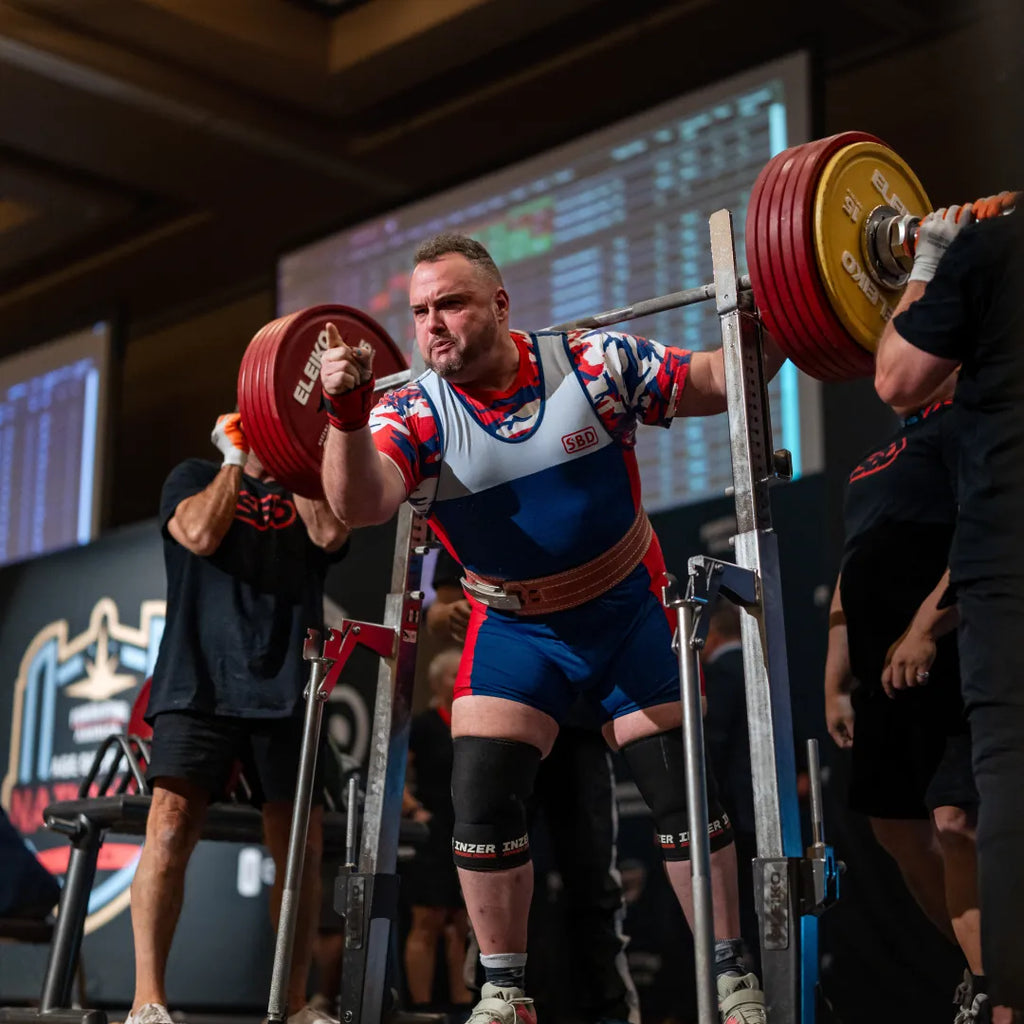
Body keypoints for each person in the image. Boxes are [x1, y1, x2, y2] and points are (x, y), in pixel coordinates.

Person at [318, 232, 788, 1024]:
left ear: (500, 305)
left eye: (452, 303)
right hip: (517, 632)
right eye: (421, 310)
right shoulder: (412, 412)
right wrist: (343, 413)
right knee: (480, 795)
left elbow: (722, 379)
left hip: (625, 611)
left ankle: (730, 974)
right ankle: (504, 990)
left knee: (683, 792)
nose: (432, 324)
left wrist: (783, 302)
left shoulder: (595, 365)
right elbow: (357, 504)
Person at [125, 411, 350, 1024]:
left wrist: (302, 460)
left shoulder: (312, 491)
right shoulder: (194, 476)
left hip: (287, 683)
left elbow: (330, 536)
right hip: (199, 679)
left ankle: (294, 1004)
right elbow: (198, 534)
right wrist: (233, 460)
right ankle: (149, 1002)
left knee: (300, 847)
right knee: (169, 829)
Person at [874, 193, 1024, 1024]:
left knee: (1001, 787)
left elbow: (896, 376)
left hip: (1003, 568)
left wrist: (930, 259)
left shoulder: (992, 246)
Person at [823, 380, 983, 1020]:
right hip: (880, 685)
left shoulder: (969, 424)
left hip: (953, 662)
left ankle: (992, 981)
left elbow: (983, 531)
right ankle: (987, 967)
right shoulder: (872, 461)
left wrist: (924, 629)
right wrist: (835, 683)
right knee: (898, 832)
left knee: (957, 823)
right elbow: (850, 569)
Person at [427, 547, 638, 1024]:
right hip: (502, 712)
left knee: (592, 879)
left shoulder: (584, 496)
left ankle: (609, 1012)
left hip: (576, 721)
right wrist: (452, 614)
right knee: (492, 865)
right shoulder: (470, 504)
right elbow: (438, 613)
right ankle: (495, 999)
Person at [400, 647, 474, 1014]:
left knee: (462, 921)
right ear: (436, 681)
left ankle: (463, 1007)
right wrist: (415, 811)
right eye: (453, 675)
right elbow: (392, 774)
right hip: (432, 833)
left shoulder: (473, 724)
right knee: (426, 919)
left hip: (466, 827)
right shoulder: (424, 724)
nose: (459, 680)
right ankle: (421, 1006)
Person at [699, 602, 759, 974]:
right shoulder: (765, 669)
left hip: (734, 815)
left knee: (737, 916)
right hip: (772, 812)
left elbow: (714, 744)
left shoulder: (719, 673)